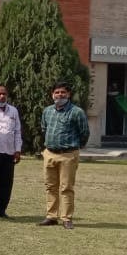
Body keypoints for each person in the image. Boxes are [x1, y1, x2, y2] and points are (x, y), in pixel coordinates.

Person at [39, 80, 90, 230]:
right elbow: (44, 128)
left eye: (63, 92)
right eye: (57, 92)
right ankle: (51, 216)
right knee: (50, 186)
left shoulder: (76, 112)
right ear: (52, 94)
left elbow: (84, 132)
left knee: (66, 187)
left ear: (68, 94)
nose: (60, 95)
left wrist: (74, 147)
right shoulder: (47, 111)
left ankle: (66, 218)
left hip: (68, 155)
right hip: (49, 154)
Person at [0, 84, 23, 218]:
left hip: (8, 152)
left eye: (4, 94)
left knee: (6, 183)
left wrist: (17, 150)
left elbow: (17, 131)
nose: (2, 96)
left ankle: (1, 209)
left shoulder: (13, 111)